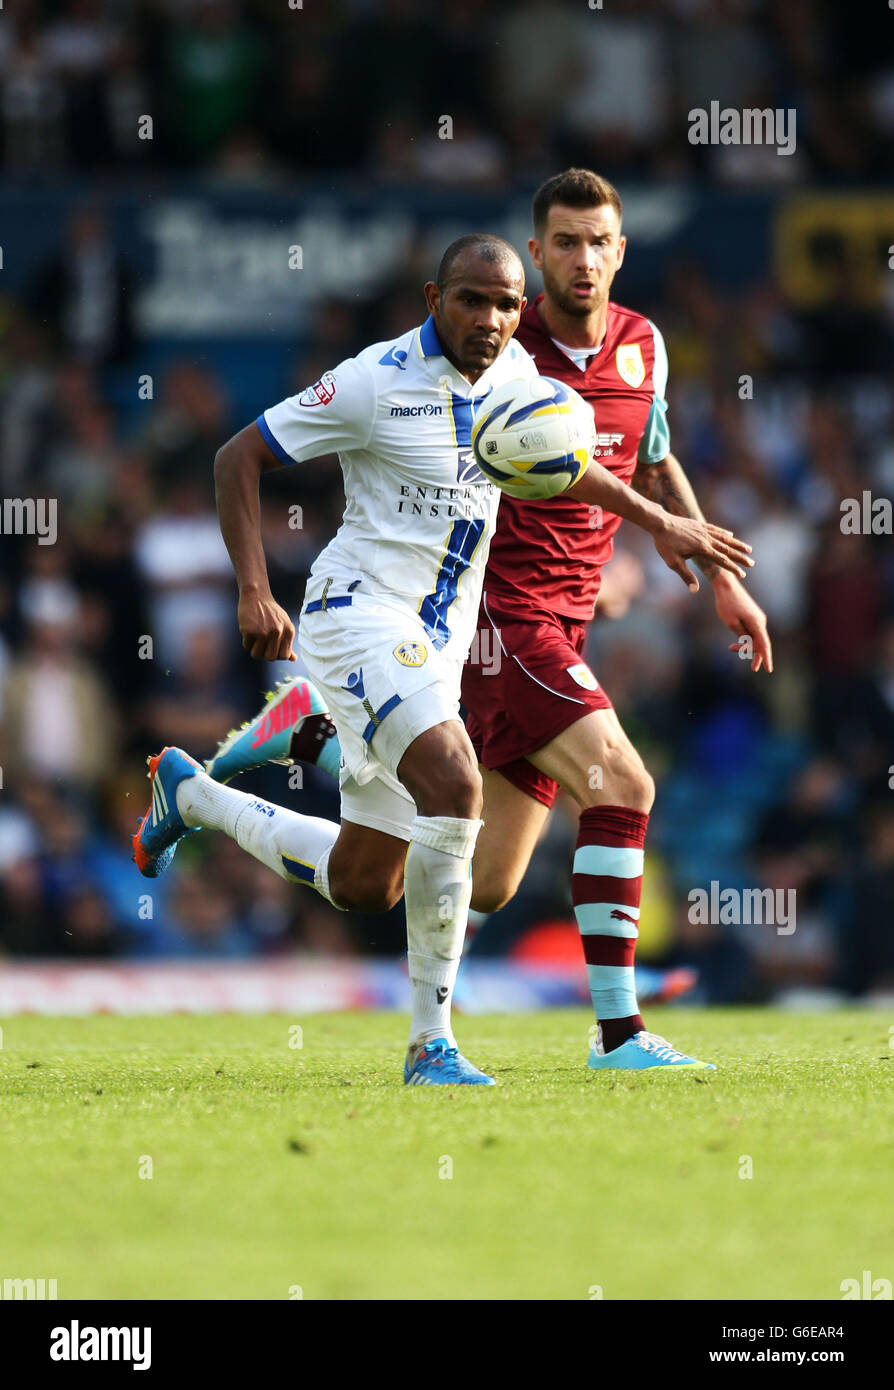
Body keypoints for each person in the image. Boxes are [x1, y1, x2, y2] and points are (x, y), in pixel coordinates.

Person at [151, 231, 752, 1084]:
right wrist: (253, 589)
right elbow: (236, 455)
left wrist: (658, 522)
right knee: (457, 784)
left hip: (433, 646)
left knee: (368, 884)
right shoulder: (372, 380)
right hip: (355, 613)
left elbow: (568, 466)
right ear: (435, 301)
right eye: (473, 299)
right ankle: (432, 1044)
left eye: (509, 304)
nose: (493, 318)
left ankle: (198, 795)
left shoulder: (518, 384)